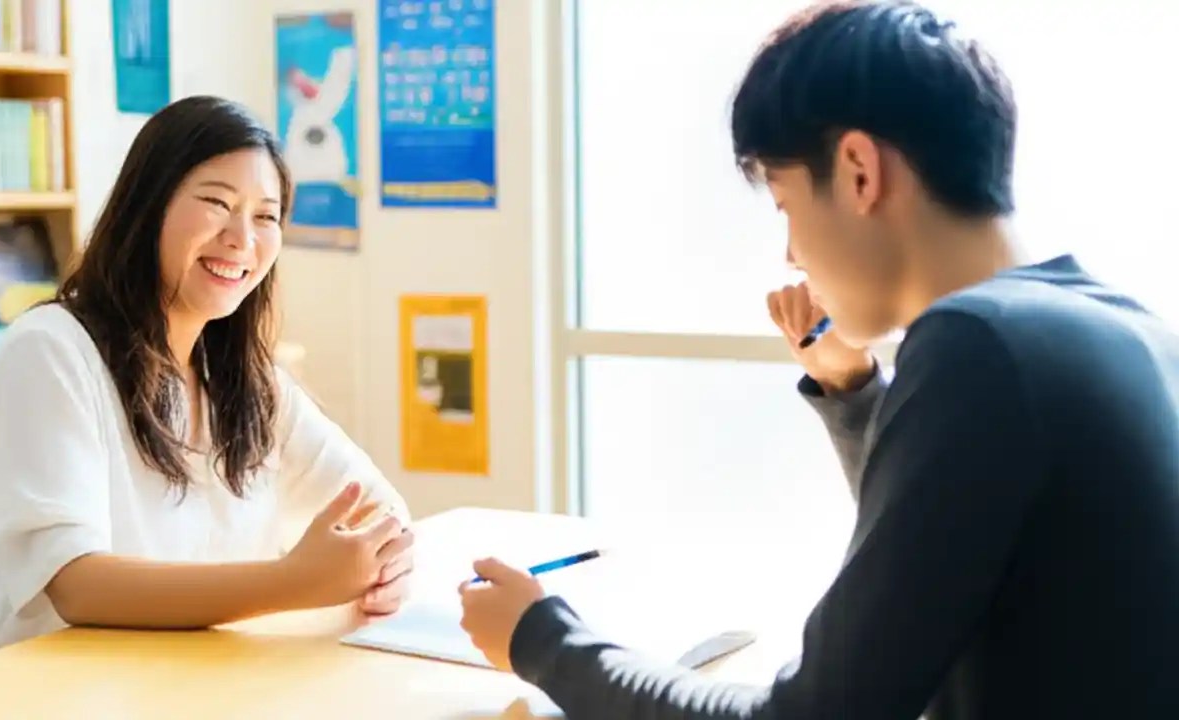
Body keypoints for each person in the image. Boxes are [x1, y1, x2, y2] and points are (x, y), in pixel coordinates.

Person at [458, 2, 1179, 718]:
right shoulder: (1120, 328)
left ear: (859, 170)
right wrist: (854, 388)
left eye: (784, 204)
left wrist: (544, 641)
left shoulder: (978, 344)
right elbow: (956, 553)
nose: (792, 253)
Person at [0, 96, 414, 663]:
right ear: (148, 207)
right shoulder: (51, 349)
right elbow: (74, 584)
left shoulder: (246, 380)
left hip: (181, 681)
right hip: (34, 691)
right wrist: (295, 580)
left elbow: (380, 516)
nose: (243, 237)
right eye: (216, 202)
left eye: (265, 216)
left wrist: (389, 566)